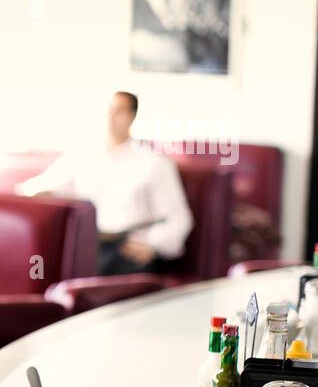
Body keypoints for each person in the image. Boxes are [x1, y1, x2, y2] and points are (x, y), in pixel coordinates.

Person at [16, 91, 194, 276]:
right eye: (108, 111)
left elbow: (179, 218)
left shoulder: (154, 163)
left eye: (118, 111)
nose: (111, 117)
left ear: (132, 116)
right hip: (86, 244)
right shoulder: (82, 156)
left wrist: (153, 245)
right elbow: (43, 185)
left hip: (126, 250)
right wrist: (30, 195)